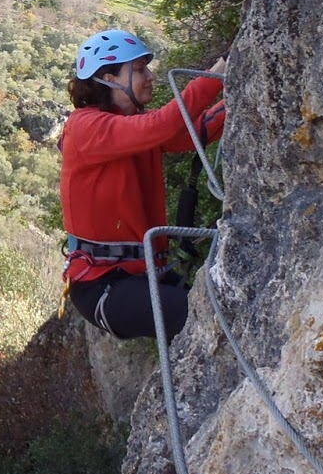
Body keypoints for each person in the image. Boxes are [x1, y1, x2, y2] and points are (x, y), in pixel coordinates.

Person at [60, 29, 226, 340]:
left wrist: (240, 92)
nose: (150, 76)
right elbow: (162, 125)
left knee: (218, 309)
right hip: (104, 285)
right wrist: (218, 73)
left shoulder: (131, 127)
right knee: (210, 316)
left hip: (142, 275)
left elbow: (197, 130)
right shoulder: (85, 128)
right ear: (108, 78)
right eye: (138, 70)